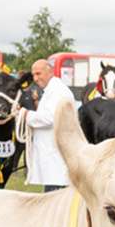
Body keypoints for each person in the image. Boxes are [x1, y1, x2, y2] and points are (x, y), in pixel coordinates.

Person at [17, 59, 74, 192]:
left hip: (56, 162)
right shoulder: (52, 90)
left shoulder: (57, 91)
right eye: (33, 75)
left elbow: (49, 118)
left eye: (39, 74)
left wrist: (25, 114)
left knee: (55, 204)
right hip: (53, 161)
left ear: (50, 71)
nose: (35, 78)